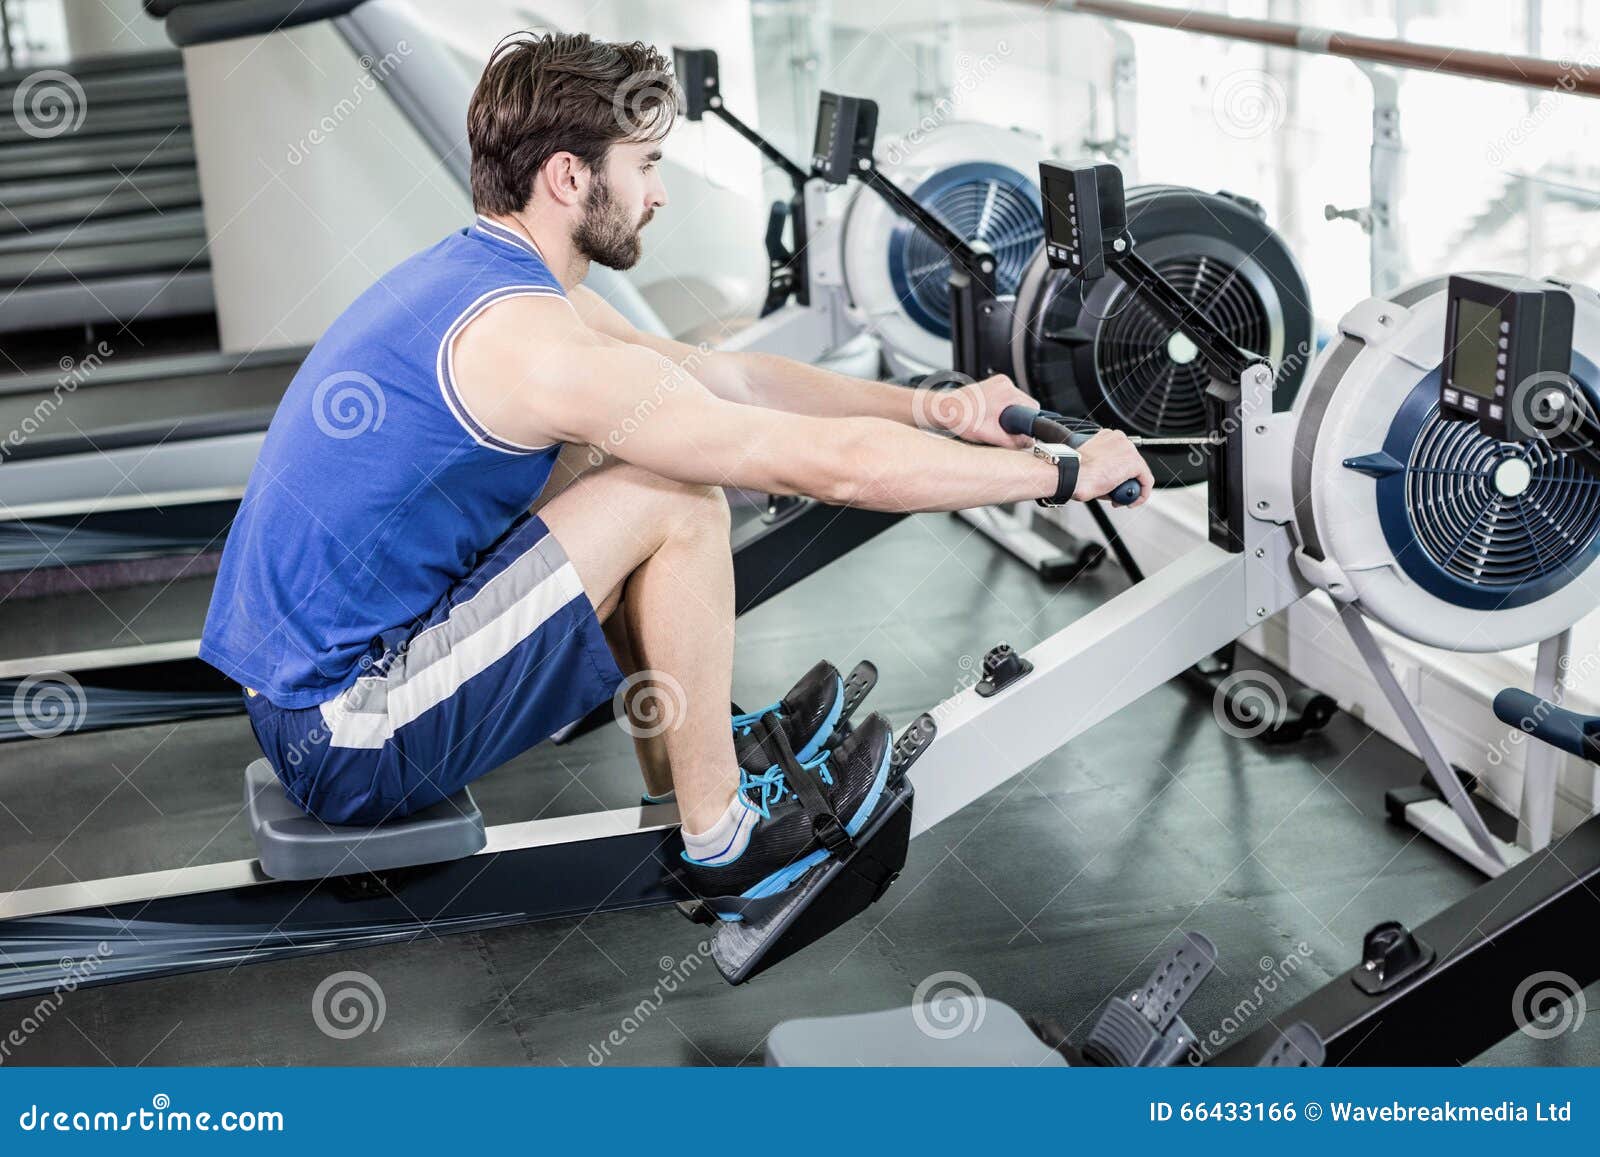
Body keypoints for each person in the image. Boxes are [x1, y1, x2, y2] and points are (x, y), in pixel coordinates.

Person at [200, 32, 1150, 916]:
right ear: (571, 176)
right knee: (671, 491)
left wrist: (936, 408)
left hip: (311, 698)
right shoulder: (534, 344)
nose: (657, 193)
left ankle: (700, 768)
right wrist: (1059, 473)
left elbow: (721, 374)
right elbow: (835, 471)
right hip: (345, 732)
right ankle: (722, 836)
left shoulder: (494, 280)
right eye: (644, 166)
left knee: (631, 459)